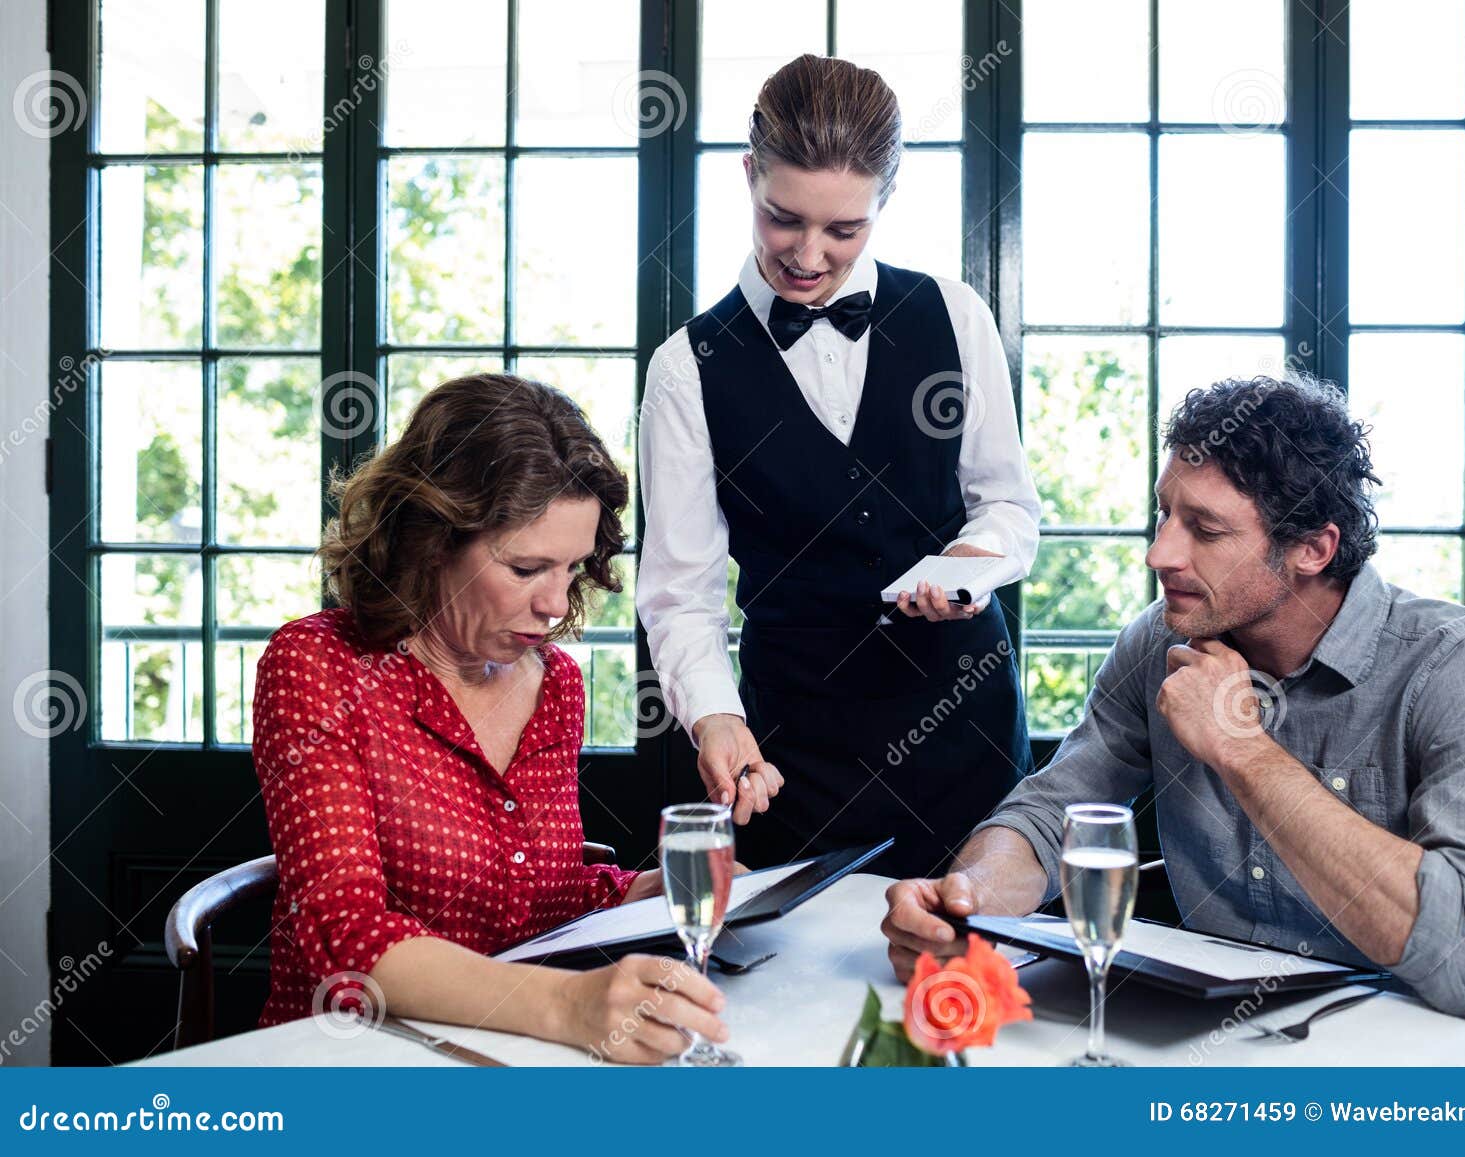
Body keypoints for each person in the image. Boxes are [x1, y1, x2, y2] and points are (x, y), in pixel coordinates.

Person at [882, 375, 1465, 1018]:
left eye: (1205, 529)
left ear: (1313, 549)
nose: (1160, 553)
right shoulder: (1157, 643)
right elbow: (1051, 814)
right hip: (1225, 1038)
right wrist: (969, 902)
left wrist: (1242, 748)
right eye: (1165, 513)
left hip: (1432, 1052)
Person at [638, 54, 1041, 880]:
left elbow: (1008, 506)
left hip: (966, 735)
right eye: (783, 218)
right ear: (749, 176)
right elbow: (681, 591)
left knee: (976, 960)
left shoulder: (956, 316)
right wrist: (715, 716)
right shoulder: (685, 370)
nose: (809, 254)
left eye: (843, 230)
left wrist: (971, 560)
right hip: (797, 755)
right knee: (798, 960)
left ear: (884, 200)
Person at [251, 374, 729, 1063]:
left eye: (573, 568)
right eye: (527, 568)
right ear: (432, 542)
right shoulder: (319, 665)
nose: (556, 605)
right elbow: (345, 937)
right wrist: (568, 1005)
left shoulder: (555, 683)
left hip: (510, 1056)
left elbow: (533, 894)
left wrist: (646, 893)